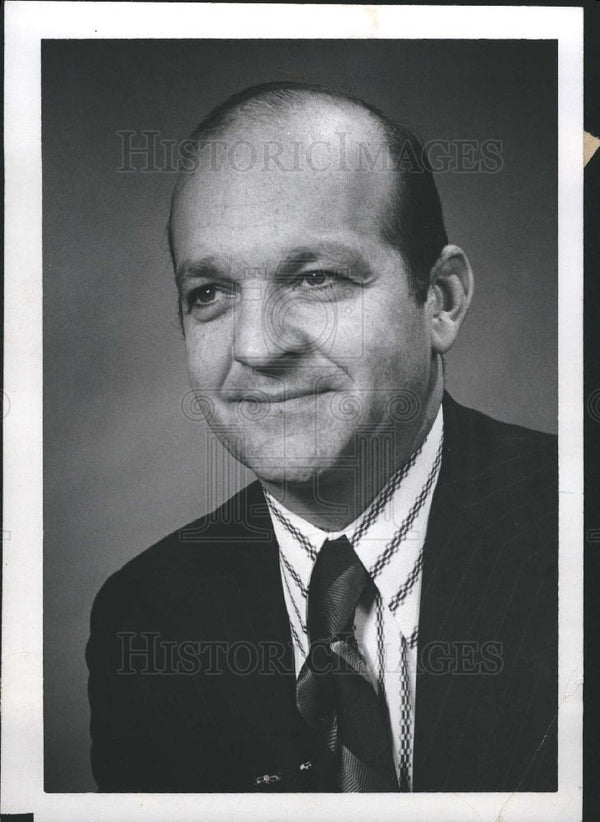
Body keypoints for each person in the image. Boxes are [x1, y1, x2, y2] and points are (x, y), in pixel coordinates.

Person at [86, 82, 557, 793]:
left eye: (316, 278)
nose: (256, 347)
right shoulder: (146, 616)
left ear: (442, 299)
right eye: (209, 293)